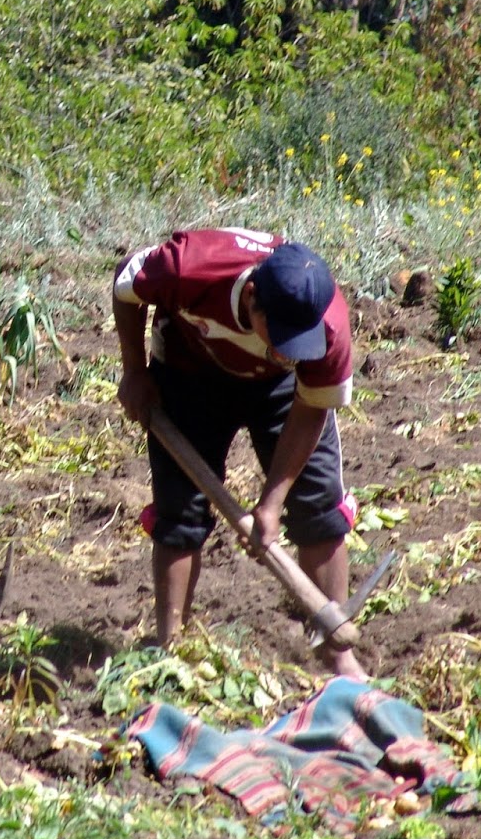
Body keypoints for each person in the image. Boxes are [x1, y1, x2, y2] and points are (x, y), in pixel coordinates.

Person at [112, 228, 366, 679]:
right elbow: (126, 284)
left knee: (317, 503)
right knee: (180, 512)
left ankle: (336, 655)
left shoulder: (328, 326)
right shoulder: (187, 267)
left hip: (282, 392)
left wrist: (271, 503)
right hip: (189, 372)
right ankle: (173, 647)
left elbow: (310, 410)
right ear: (251, 296)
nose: (290, 350)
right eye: (281, 335)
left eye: (298, 341)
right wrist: (135, 370)